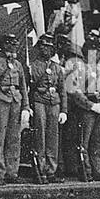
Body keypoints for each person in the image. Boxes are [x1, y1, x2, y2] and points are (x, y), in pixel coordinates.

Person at [0, 33, 30, 183]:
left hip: (16, 101)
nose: (13, 46)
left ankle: (12, 173)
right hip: (1, 101)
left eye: (15, 43)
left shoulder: (17, 64)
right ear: (3, 44)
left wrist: (26, 106)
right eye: (10, 43)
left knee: (14, 137)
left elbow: (23, 86)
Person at [67, 42, 100, 181]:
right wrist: (90, 105)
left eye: (96, 51)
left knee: (99, 141)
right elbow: (75, 91)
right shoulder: (78, 69)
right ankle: (86, 171)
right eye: (91, 51)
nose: (95, 54)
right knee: (84, 141)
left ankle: (98, 171)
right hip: (86, 109)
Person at [27, 35, 68, 182]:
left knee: (52, 138)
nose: (46, 49)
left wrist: (64, 110)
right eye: (43, 46)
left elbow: (62, 90)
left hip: (54, 104)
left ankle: (51, 171)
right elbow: (31, 88)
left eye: (49, 47)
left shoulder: (57, 68)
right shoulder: (34, 66)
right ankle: (40, 171)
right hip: (39, 102)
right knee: (40, 137)